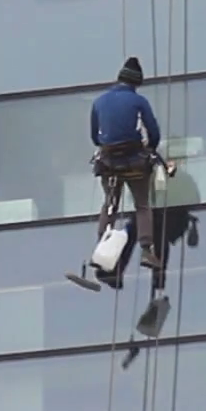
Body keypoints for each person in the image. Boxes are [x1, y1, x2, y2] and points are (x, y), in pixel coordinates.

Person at [90, 56, 174, 271]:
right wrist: (150, 147)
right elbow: (153, 132)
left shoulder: (99, 101)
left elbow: (95, 137)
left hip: (109, 162)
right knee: (142, 205)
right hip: (134, 162)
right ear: (136, 83)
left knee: (110, 203)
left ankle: (102, 246)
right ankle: (146, 250)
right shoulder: (138, 101)